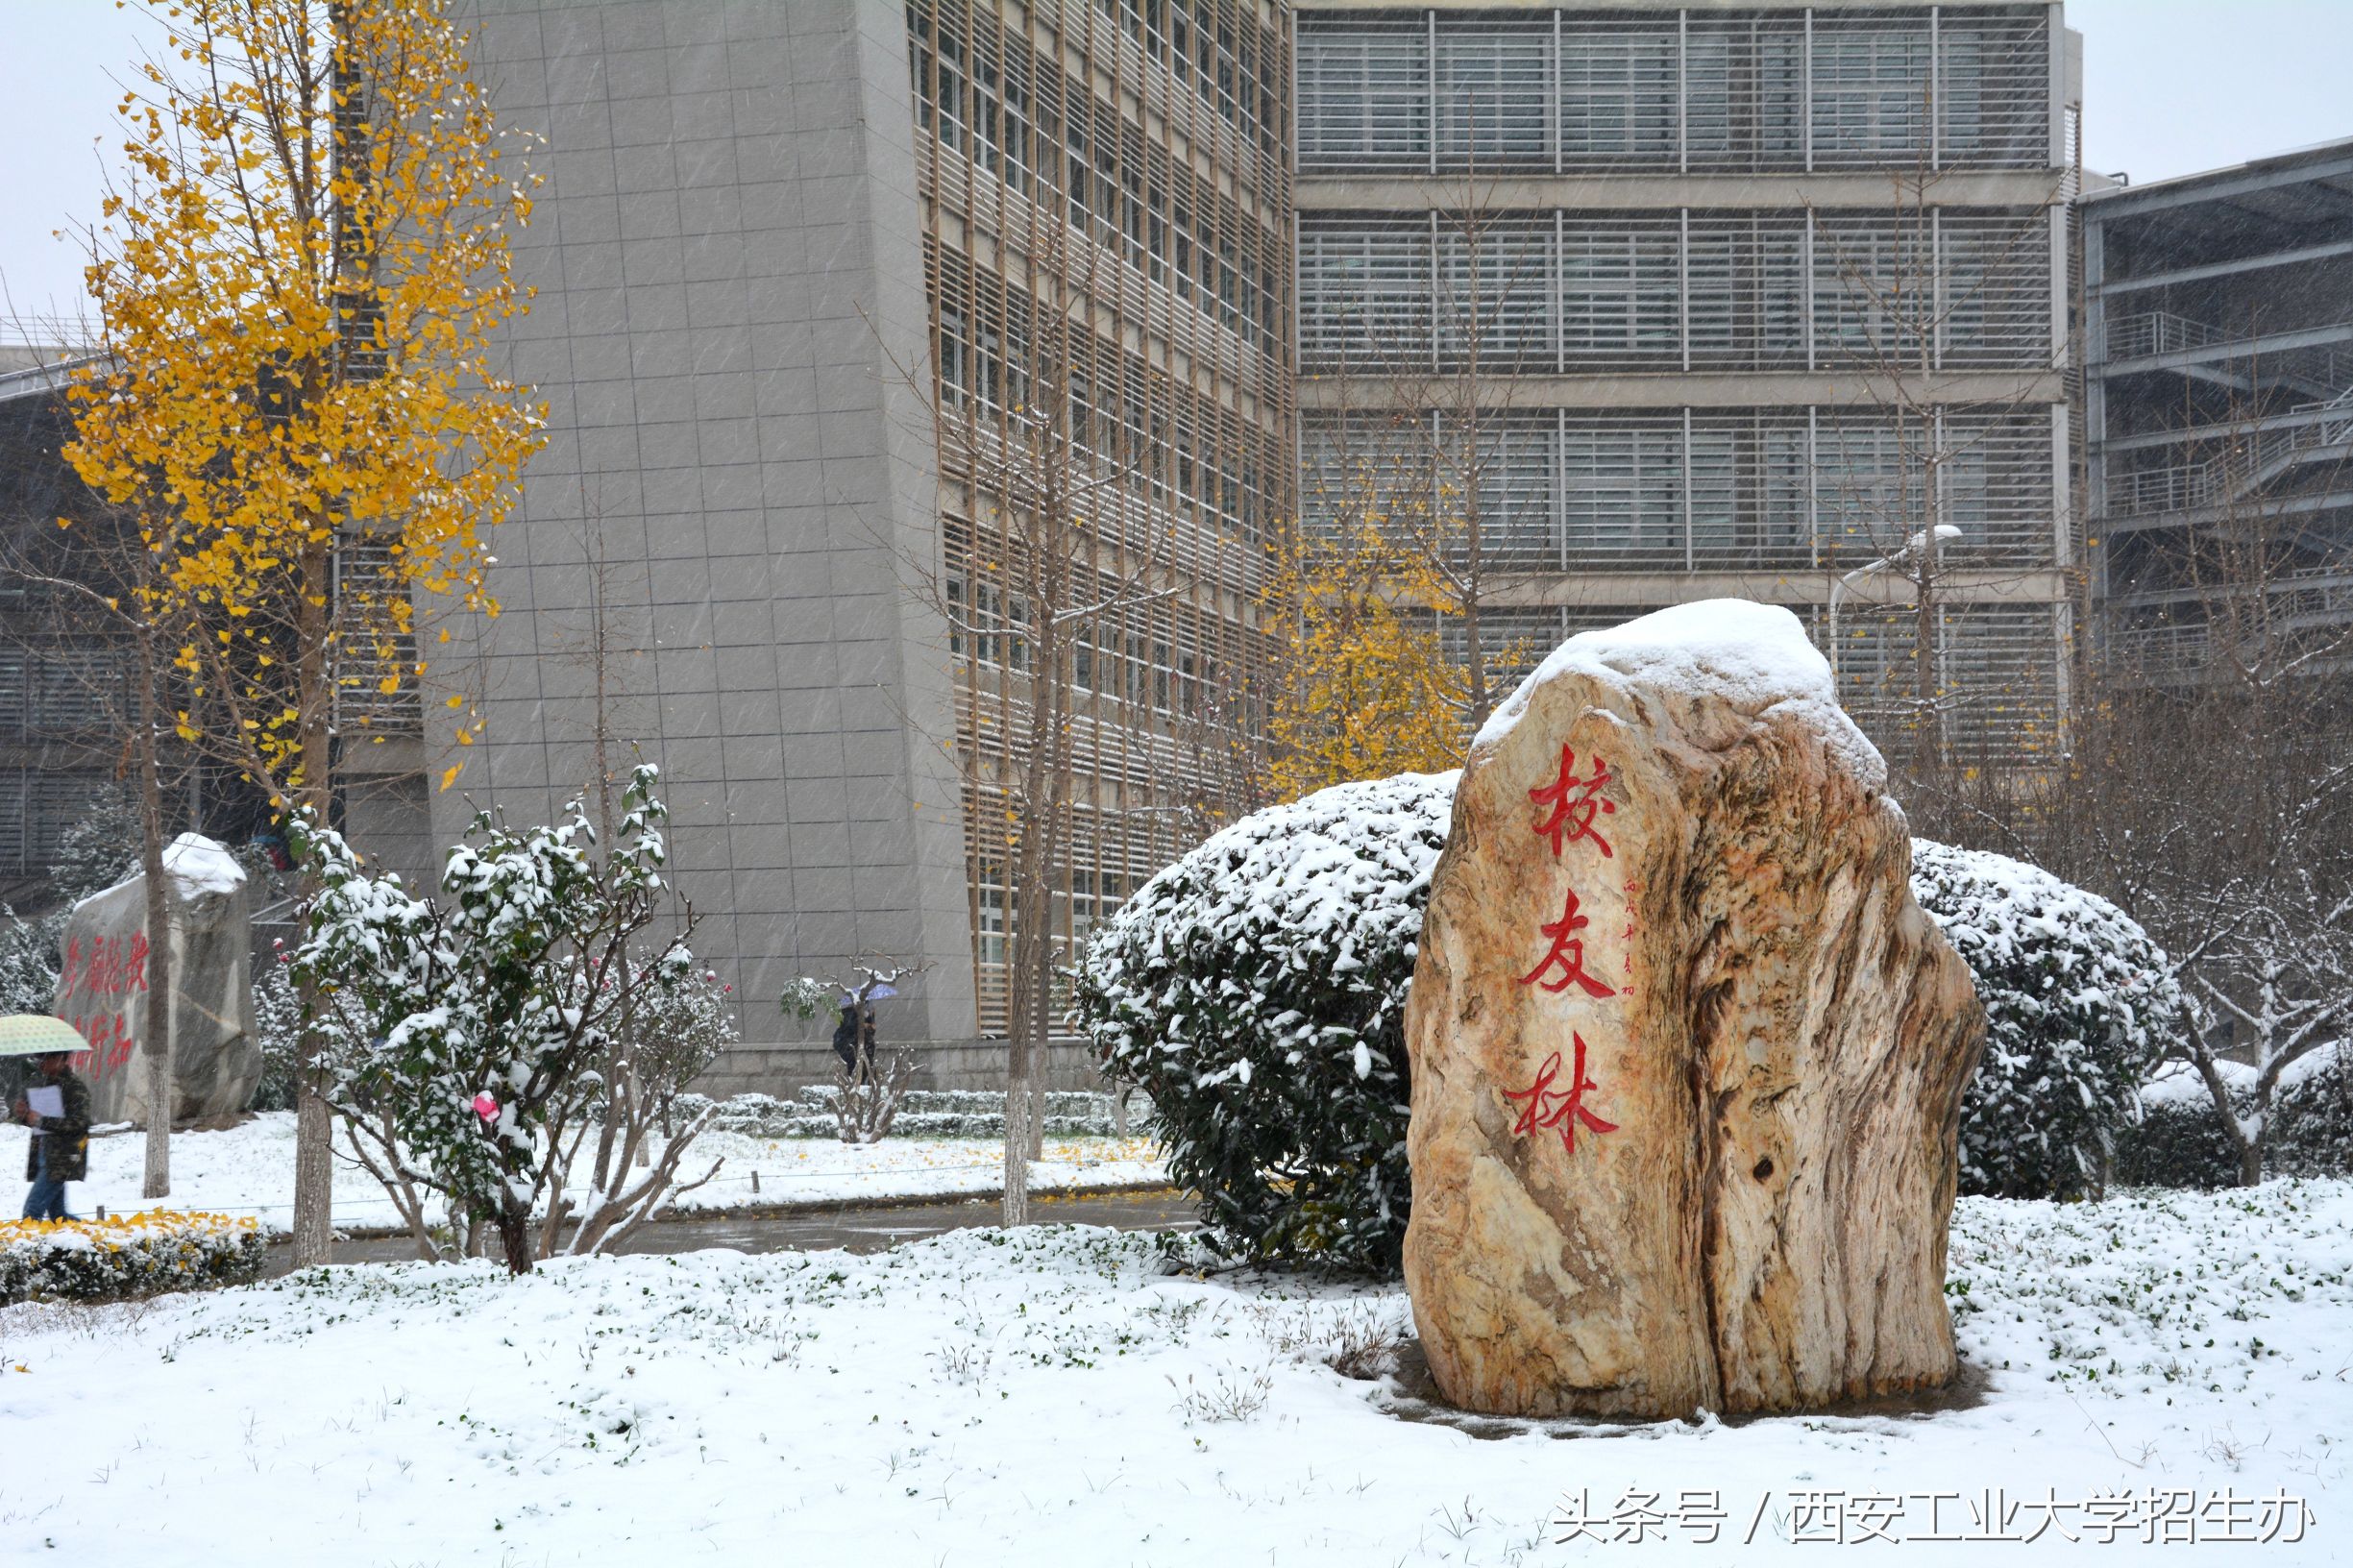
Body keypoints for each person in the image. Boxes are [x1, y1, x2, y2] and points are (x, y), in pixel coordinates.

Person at [12, 1047, 92, 1221]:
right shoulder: (39, 1083)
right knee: (59, 1216)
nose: (41, 1063)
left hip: (61, 1157)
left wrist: (41, 1120)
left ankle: (31, 1247)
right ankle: (91, 1237)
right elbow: (30, 1117)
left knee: (31, 1213)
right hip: (43, 1153)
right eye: (39, 1059)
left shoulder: (74, 1087)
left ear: (61, 1059)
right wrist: (23, 1113)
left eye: (46, 1059)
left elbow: (79, 1123)